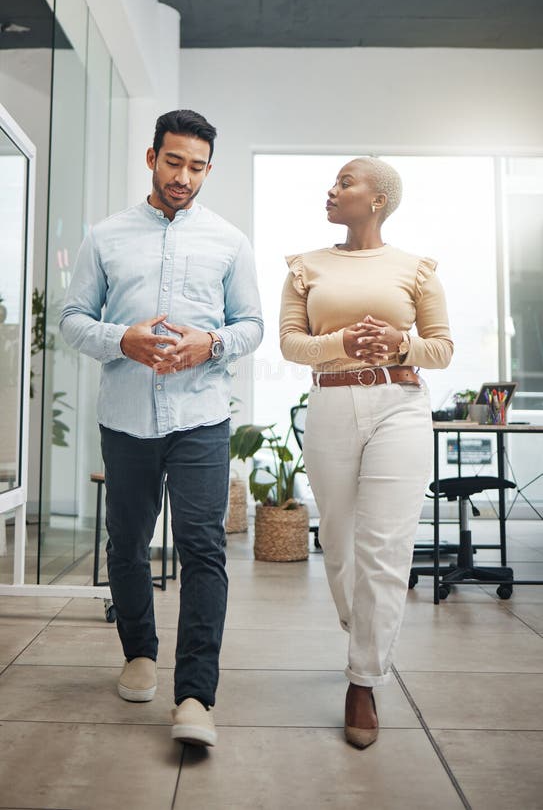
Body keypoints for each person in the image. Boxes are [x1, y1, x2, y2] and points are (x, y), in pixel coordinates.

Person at [60, 109, 263, 748]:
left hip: (201, 418)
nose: (184, 176)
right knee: (126, 541)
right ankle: (138, 653)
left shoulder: (229, 241)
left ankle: (196, 696)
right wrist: (122, 337)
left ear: (209, 169)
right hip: (125, 419)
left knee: (204, 550)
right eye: (173, 162)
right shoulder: (106, 236)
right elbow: (70, 317)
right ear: (151, 158)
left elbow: (252, 325)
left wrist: (211, 345)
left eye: (196, 166)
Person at [279, 157, 453, 749]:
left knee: (386, 545)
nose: (332, 189)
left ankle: (363, 681)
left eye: (345, 182)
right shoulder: (306, 266)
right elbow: (291, 345)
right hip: (330, 403)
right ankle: (365, 629)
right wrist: (342, 341)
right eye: (334, 181)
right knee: (338, 541)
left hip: (400, 403)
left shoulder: (416, 269)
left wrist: (402, 341)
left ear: (377, 200)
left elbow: (442, 349)